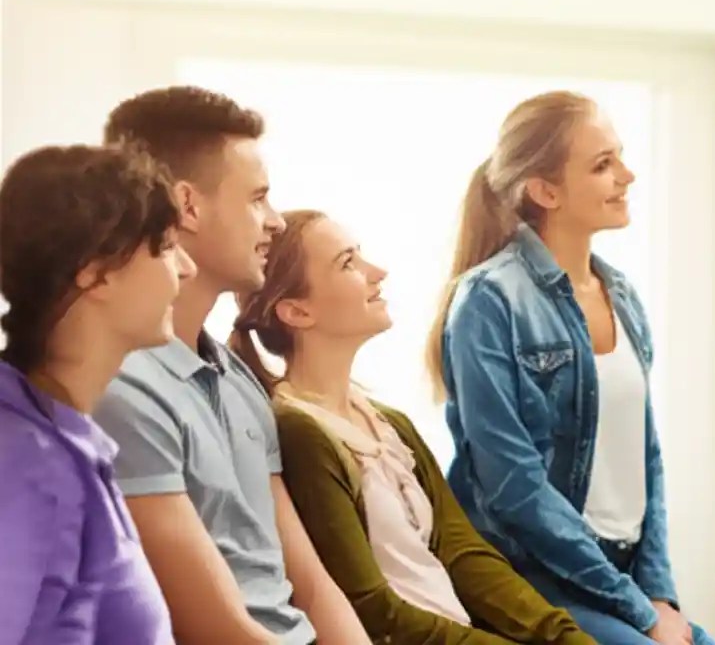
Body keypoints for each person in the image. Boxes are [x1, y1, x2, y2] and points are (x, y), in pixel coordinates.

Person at [426, 91, 715, 645]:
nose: (627, 176)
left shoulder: (622, 294)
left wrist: (656, 592)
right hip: (534, 574)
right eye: (603, 164)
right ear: (545, 190)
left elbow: (646, 455)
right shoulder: (489, 301)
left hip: (622, 573)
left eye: (621, 157)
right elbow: (514, 488)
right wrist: (639, 608)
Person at [227, 209, 595, 645]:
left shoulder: (391, 425)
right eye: (348, 263)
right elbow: (375, 610)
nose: (376, 272)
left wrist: (564, 636)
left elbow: (464, 555)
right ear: (296, 311)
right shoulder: (300, 431)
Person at [91, 86, 372, 645]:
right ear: (187, 205)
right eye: (258, 199)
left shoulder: (239, 381)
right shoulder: (120, 390)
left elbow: (310, 585)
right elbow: (210, 627)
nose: (275, 223)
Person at [0, 145, 193, 645]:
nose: (187, 269)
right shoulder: (25, 460)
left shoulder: (64, 439)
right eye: (168, 247)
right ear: (97, 270)